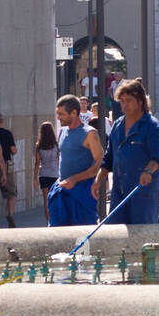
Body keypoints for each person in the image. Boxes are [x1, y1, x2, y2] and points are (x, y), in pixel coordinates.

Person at [96, 78, 159, 226]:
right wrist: (98, 180)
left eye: (128, 100)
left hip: (143, 193)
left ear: (140, 101)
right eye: (122, 101)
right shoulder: (117, 125)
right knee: (116, 234)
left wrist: (148, 171)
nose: (124, 105)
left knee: (143, 236)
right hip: (119, 191)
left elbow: (158, 157)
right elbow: (109, 158)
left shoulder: (152, 126)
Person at [53, 94, 103, 226]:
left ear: (74, 113)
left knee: (83, 236)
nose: (58, 117)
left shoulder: (90, 133)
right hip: (62, 191)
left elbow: (99, 164)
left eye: (61, 114)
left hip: (82, 193)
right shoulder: (62, 131)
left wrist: (74, 179)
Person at [0, 110, 18, 228]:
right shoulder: (7, 133)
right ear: (2, 120)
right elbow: (13, 150)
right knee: (11, 192)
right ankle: (10, 214)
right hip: (6, 163)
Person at [34, 122, 60, 224]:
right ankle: (55, 220)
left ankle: (48, 221)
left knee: (46, 200)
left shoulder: (39, 146)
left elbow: (37, 163)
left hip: (44, 174)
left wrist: (34, 179)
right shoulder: (56, 145)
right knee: (55, 199)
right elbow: (58, 160)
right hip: (54, 174)